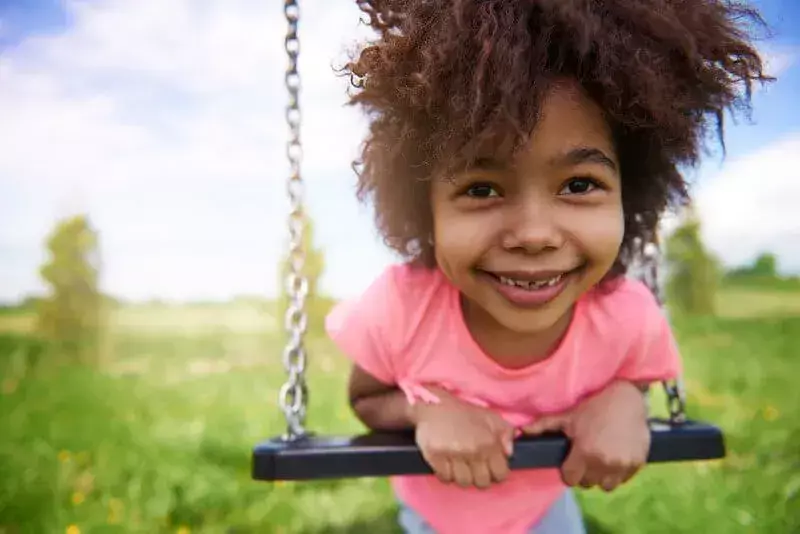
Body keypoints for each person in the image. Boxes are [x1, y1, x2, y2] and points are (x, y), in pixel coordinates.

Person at [325, 1, 770, 533]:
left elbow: (633, 376)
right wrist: (427, 410)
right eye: (482, 188)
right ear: (425, 209)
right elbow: (367, 398)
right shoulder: (401, 307)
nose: (534, 235)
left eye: (579, 185)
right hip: (433, 511)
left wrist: (625, 401)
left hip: (545, 510)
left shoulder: (625, 315)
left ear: (631, 191)